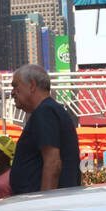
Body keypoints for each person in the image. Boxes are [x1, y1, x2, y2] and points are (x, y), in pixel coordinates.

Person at [9, 64, 82, 194]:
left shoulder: (45, 112)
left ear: (32, 85)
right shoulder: (49, 110)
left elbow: (53, 163)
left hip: (44, 207)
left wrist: (44, 204)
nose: (12, 92)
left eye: (15, 86)